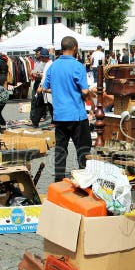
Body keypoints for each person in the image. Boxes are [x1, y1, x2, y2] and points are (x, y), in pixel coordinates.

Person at [41, 36, 95, 182]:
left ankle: (58, 180)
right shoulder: (78, 66)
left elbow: (44, 88)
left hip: (59, 115)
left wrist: (60, 90)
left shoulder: (53, 66)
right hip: (76, 115)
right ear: (75, 48)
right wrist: (90, 91)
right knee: (83, 149)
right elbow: (84, 91)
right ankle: (85, 179)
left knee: (60, 149)